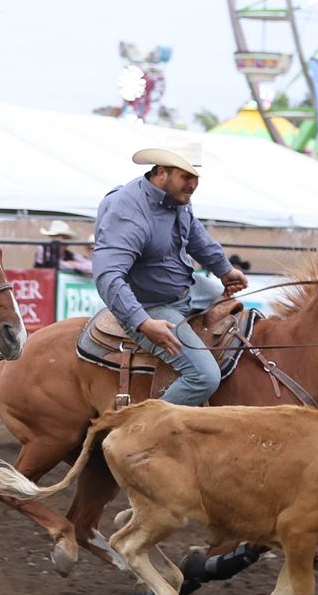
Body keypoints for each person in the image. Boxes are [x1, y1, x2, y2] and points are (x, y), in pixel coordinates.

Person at [91, 139, 248, 407]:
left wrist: (224, 269)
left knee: (242, 318)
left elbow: (195, 234)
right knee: (204, 377)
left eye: (196, 177)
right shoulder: (129, 212)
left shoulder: (177, 199)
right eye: (186, 176)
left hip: (185, 289)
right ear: (162, 171)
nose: (193, 184)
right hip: (150, 305)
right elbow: (108, 276)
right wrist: (143, 322)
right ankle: (149, 426)